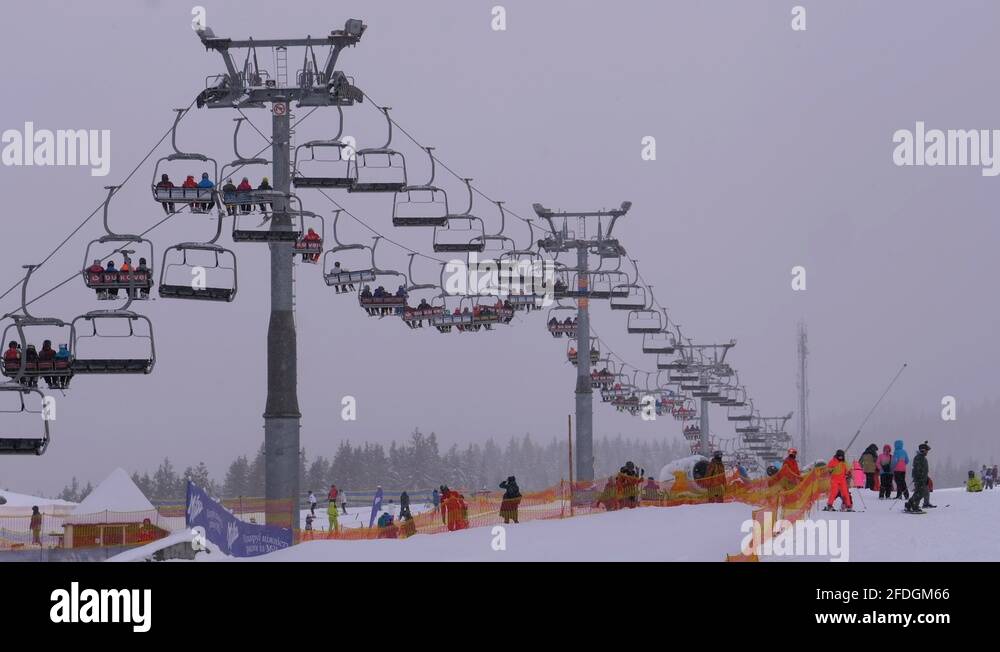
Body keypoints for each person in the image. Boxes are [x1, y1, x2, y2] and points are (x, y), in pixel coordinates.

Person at [905, 441, 933, 513]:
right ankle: (914, 506)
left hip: (923, 479)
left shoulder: (922, 458)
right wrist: (919, 478)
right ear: (923, 450)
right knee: (920, 493)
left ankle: (909, 504)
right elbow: (917, 469)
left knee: (919, 492)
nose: (927, 452)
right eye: (926, 450)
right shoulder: (919, 458)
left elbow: (924, 470)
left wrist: (926, 478)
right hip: (919, 479)